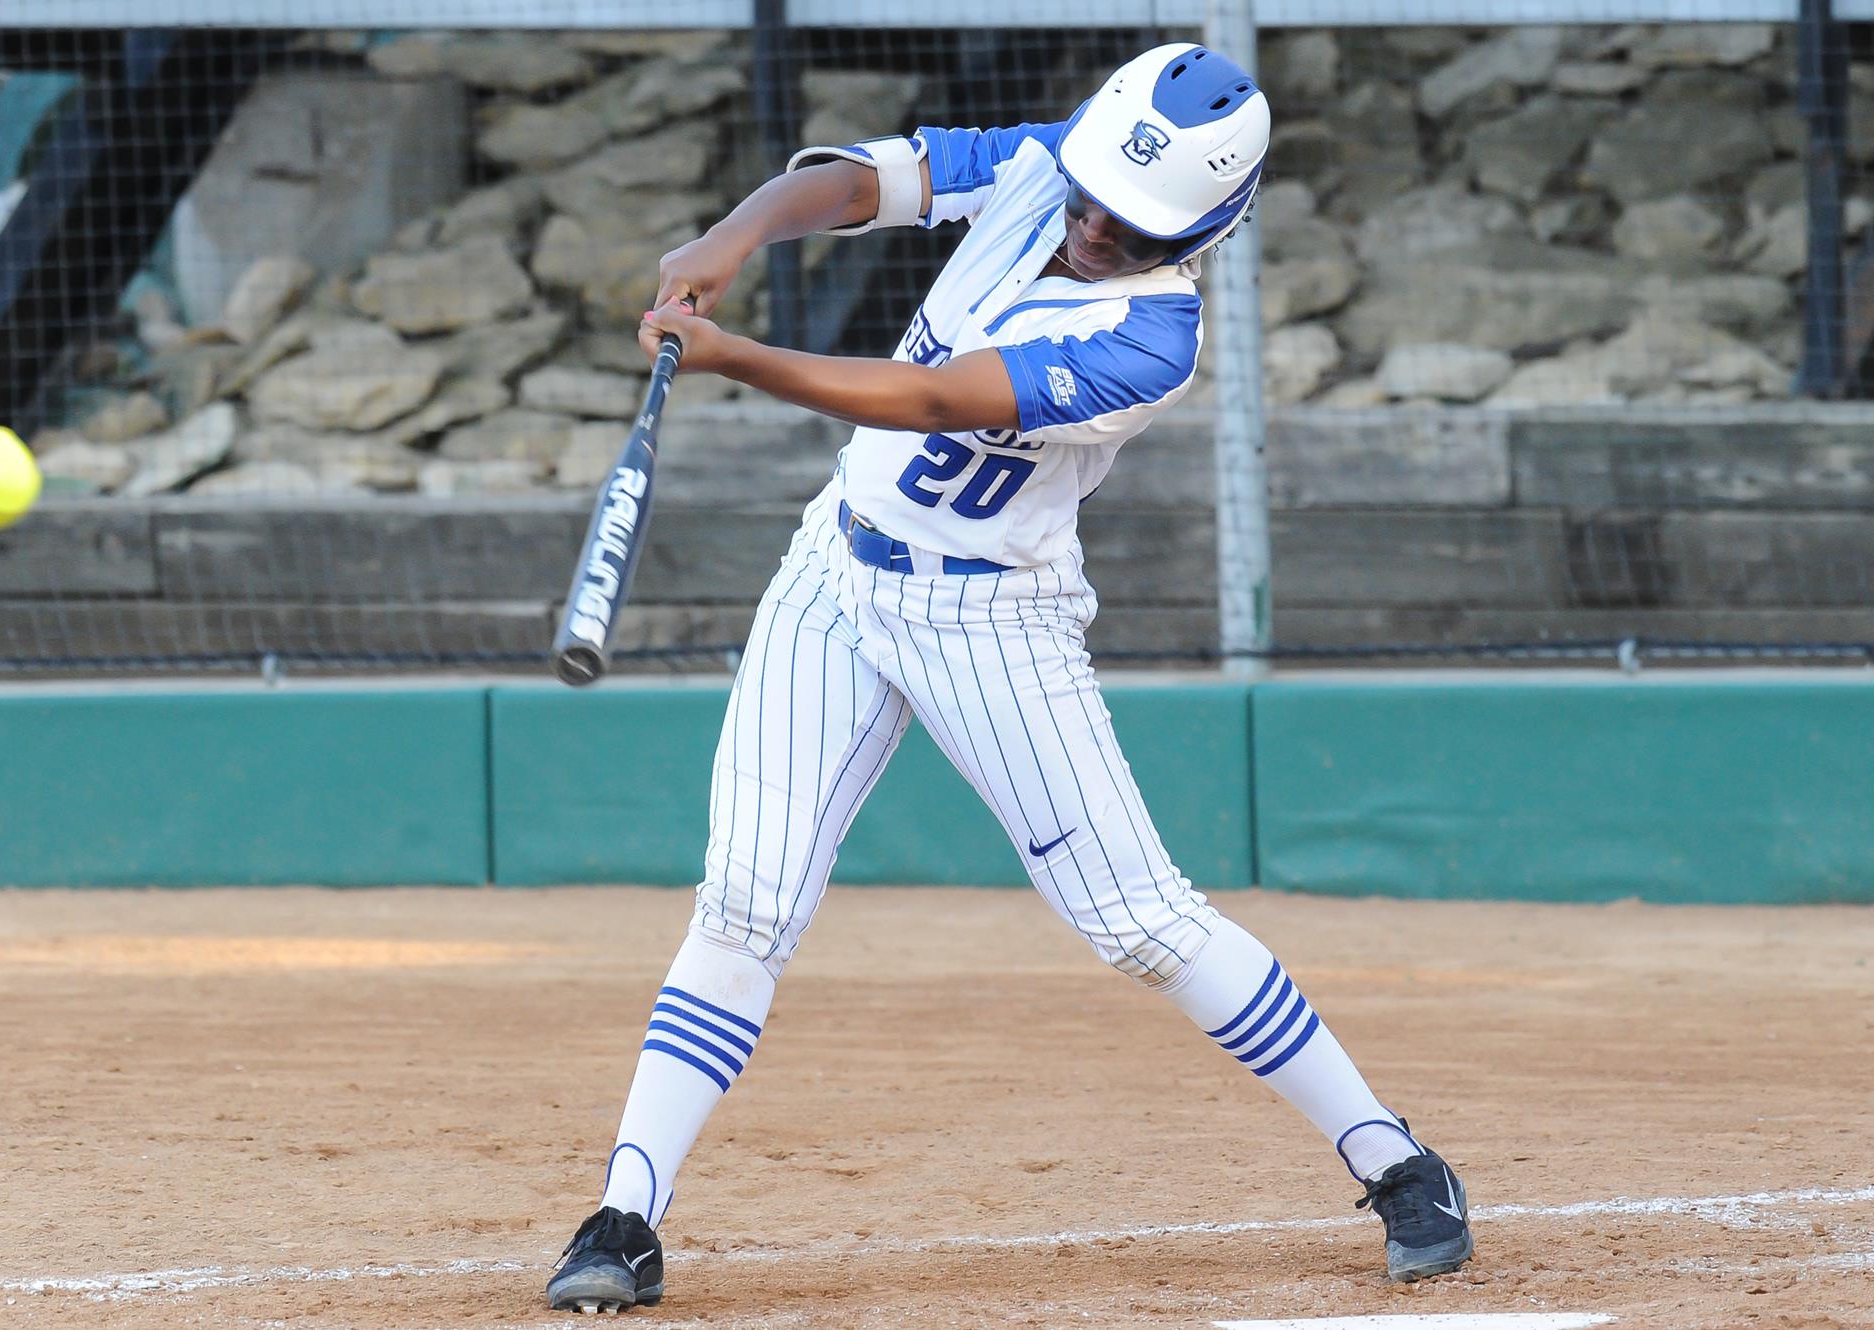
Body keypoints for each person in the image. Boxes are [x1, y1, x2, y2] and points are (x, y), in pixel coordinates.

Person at [546, 44, 1473, 1315]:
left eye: (1127, 220)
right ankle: (624, 1215)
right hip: (834, 575)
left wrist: (733, 357)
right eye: (1089, 195)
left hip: (992, 622)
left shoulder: (1148, 340)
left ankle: (1394, 1157)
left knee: (1140, 924)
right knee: (743, 904)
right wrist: (733, 235)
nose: (1090, 225)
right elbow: (854, 180)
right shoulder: (1052, 166)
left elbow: (928, 397)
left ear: (1205, 223)